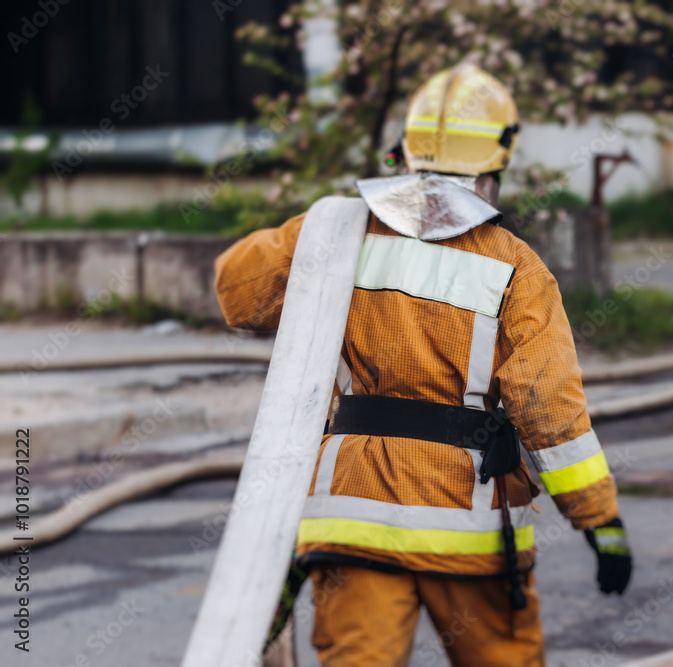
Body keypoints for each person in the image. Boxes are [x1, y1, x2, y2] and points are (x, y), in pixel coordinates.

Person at [215, 63, 632, 666]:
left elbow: (237, 290)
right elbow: (547, 407)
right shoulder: (516, 267)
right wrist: (600, 521)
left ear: (405, 153)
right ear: (497, 160)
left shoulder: (340, 231)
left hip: (351, 522)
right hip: (472, 530)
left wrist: (316, 226)